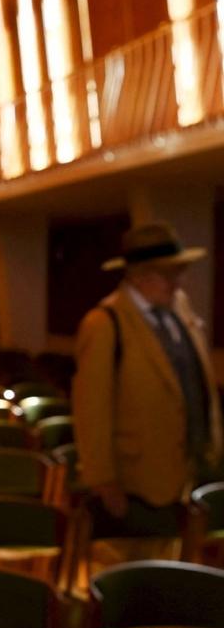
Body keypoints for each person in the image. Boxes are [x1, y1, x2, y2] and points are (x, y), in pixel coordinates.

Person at [73, 223, 223, 534]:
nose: (178, 282)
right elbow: (92, 411)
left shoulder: (178, 307)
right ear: (140, 277)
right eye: (169, 275)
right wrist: (103, 481)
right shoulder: (105, 323)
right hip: (138, 481)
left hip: (191, 469)